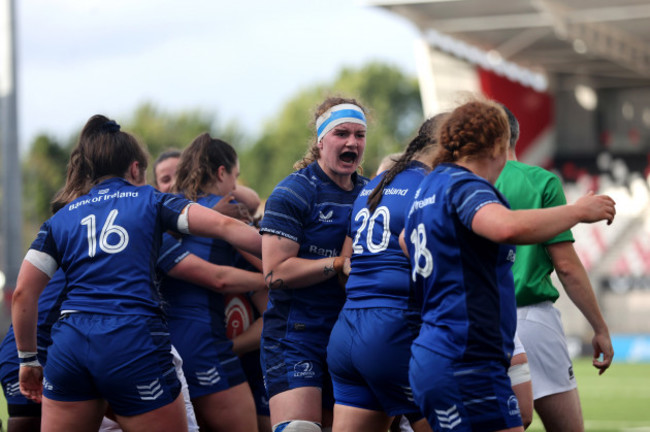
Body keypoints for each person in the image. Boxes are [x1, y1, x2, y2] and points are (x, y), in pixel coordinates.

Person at [11, 115, 262, 432]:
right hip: (132, 339)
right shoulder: (152, 200)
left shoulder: (62, 218)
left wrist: (28, 360)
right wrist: (279, 256)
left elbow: (23, 293)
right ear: (134, 168)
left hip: (70, 346)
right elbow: (226, 226)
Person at [401, 99, 616, 432]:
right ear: (500, 146)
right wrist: (578, 211)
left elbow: (405, 239)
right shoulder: (466, 185)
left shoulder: (431, 184)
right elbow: (507, 227)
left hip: (439, 349)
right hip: (467, 355)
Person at [494, 105, 614, 432]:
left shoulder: (458, 185)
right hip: (532, 320)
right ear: (513, 136)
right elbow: (567, 266)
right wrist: (599, 328)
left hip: (476, 323)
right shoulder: (540, 181)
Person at [326, 114, 447, 432]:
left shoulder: (374, 186)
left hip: (348, 329)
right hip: (393, 330)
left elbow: (348, 261)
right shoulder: (431, 188)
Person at [259, 97, 369, 432]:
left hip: (351, 335)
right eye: (342, 133)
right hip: (296, 334)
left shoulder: (370, 194)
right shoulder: (294, 191)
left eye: (360, 135)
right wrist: (337, 263)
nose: (352, 142)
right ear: (320, 141)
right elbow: (275, 273)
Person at [160, 132, 261, 432]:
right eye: (235, 177)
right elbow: (271, 264)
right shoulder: (229, 213)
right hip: (205, 346)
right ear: (221, 173)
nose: (235, 186)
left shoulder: (165, 209)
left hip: (164, 349)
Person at [153, 147, 261, 220]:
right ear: (156, 188)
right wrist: (214, 213)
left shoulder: (207, 196)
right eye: (166, 180)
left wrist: (209, 181)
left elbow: (253, 201)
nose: (175, 182)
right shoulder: (157, 216)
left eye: (182, 174)